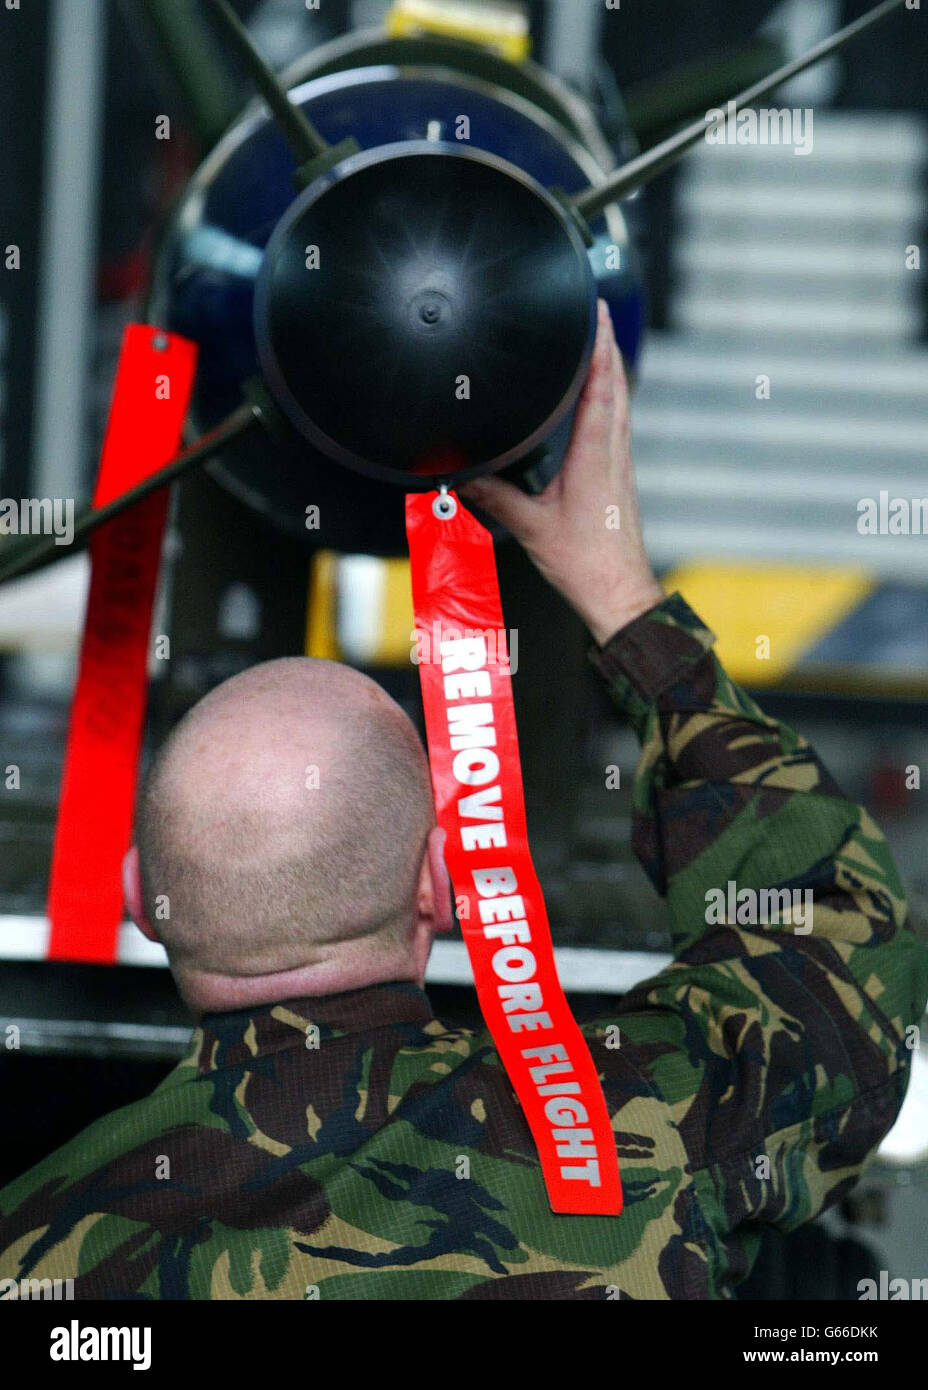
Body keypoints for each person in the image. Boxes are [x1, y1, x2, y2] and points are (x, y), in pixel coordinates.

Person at [1, 302, 925, 1300]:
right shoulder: (642, 1128)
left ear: (141, 892)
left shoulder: (36, 1252)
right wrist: (618, 591)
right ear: (444, 882)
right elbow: (843, 940)